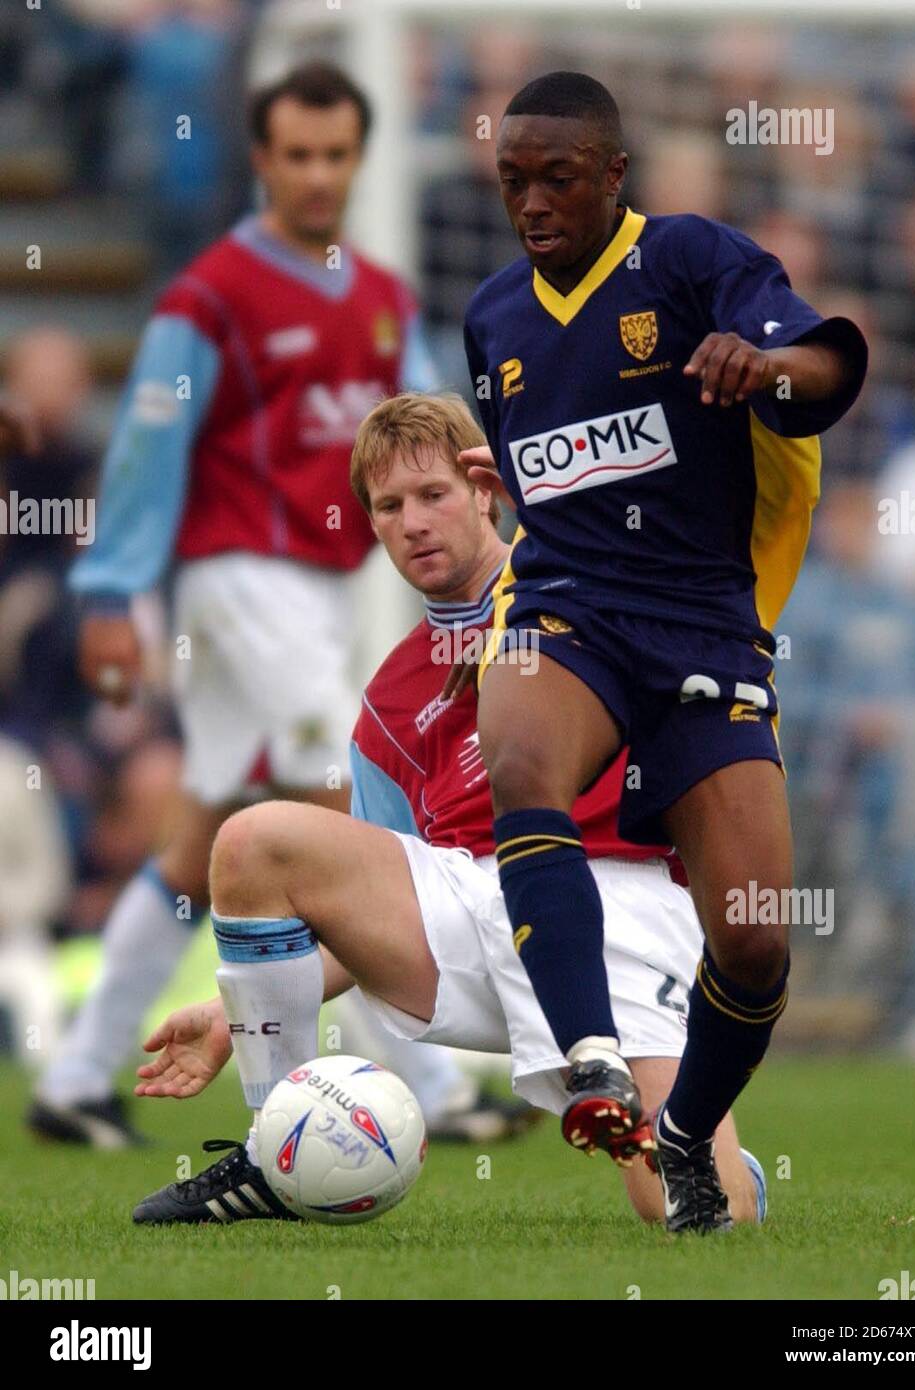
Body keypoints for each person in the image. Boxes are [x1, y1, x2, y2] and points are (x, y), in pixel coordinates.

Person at [129, 392, 765, 1228]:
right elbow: (361, 922)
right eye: (389, 507)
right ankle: (273, 1143)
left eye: (433, 495)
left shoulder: (586, 587)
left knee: (700, 1218)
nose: (413, 522)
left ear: (485, 492)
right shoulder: (388, 704)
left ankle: (724, 1155)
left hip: (614, 904)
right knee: (255, 841)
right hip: (466, 906)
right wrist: (239, 1010)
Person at [460, 72, 867, 1231]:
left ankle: (684, 1130)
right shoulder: (492, 318)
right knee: (522, 758)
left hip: (701, 624)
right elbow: (543, 490)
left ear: (615, 176)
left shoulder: (689, 258)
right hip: (567, 611)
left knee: (750, 941)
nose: (532, 203)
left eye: (558, 179)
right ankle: (590, 1050)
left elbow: (827, 367)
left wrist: (766, 366)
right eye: (512, 182)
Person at [29, 61, 445, 1147]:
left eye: (335, 155)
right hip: (239, 576)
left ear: (359, 159)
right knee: (349, 813)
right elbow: (149, 445)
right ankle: (425, 1093)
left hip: (338, 590)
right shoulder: (209, 296)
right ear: (260, 159)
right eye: (296, 155)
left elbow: (437, 438)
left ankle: (74, 1078)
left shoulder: (387, 302)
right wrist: (115, 588)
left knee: (199, 841)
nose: (317, 175)